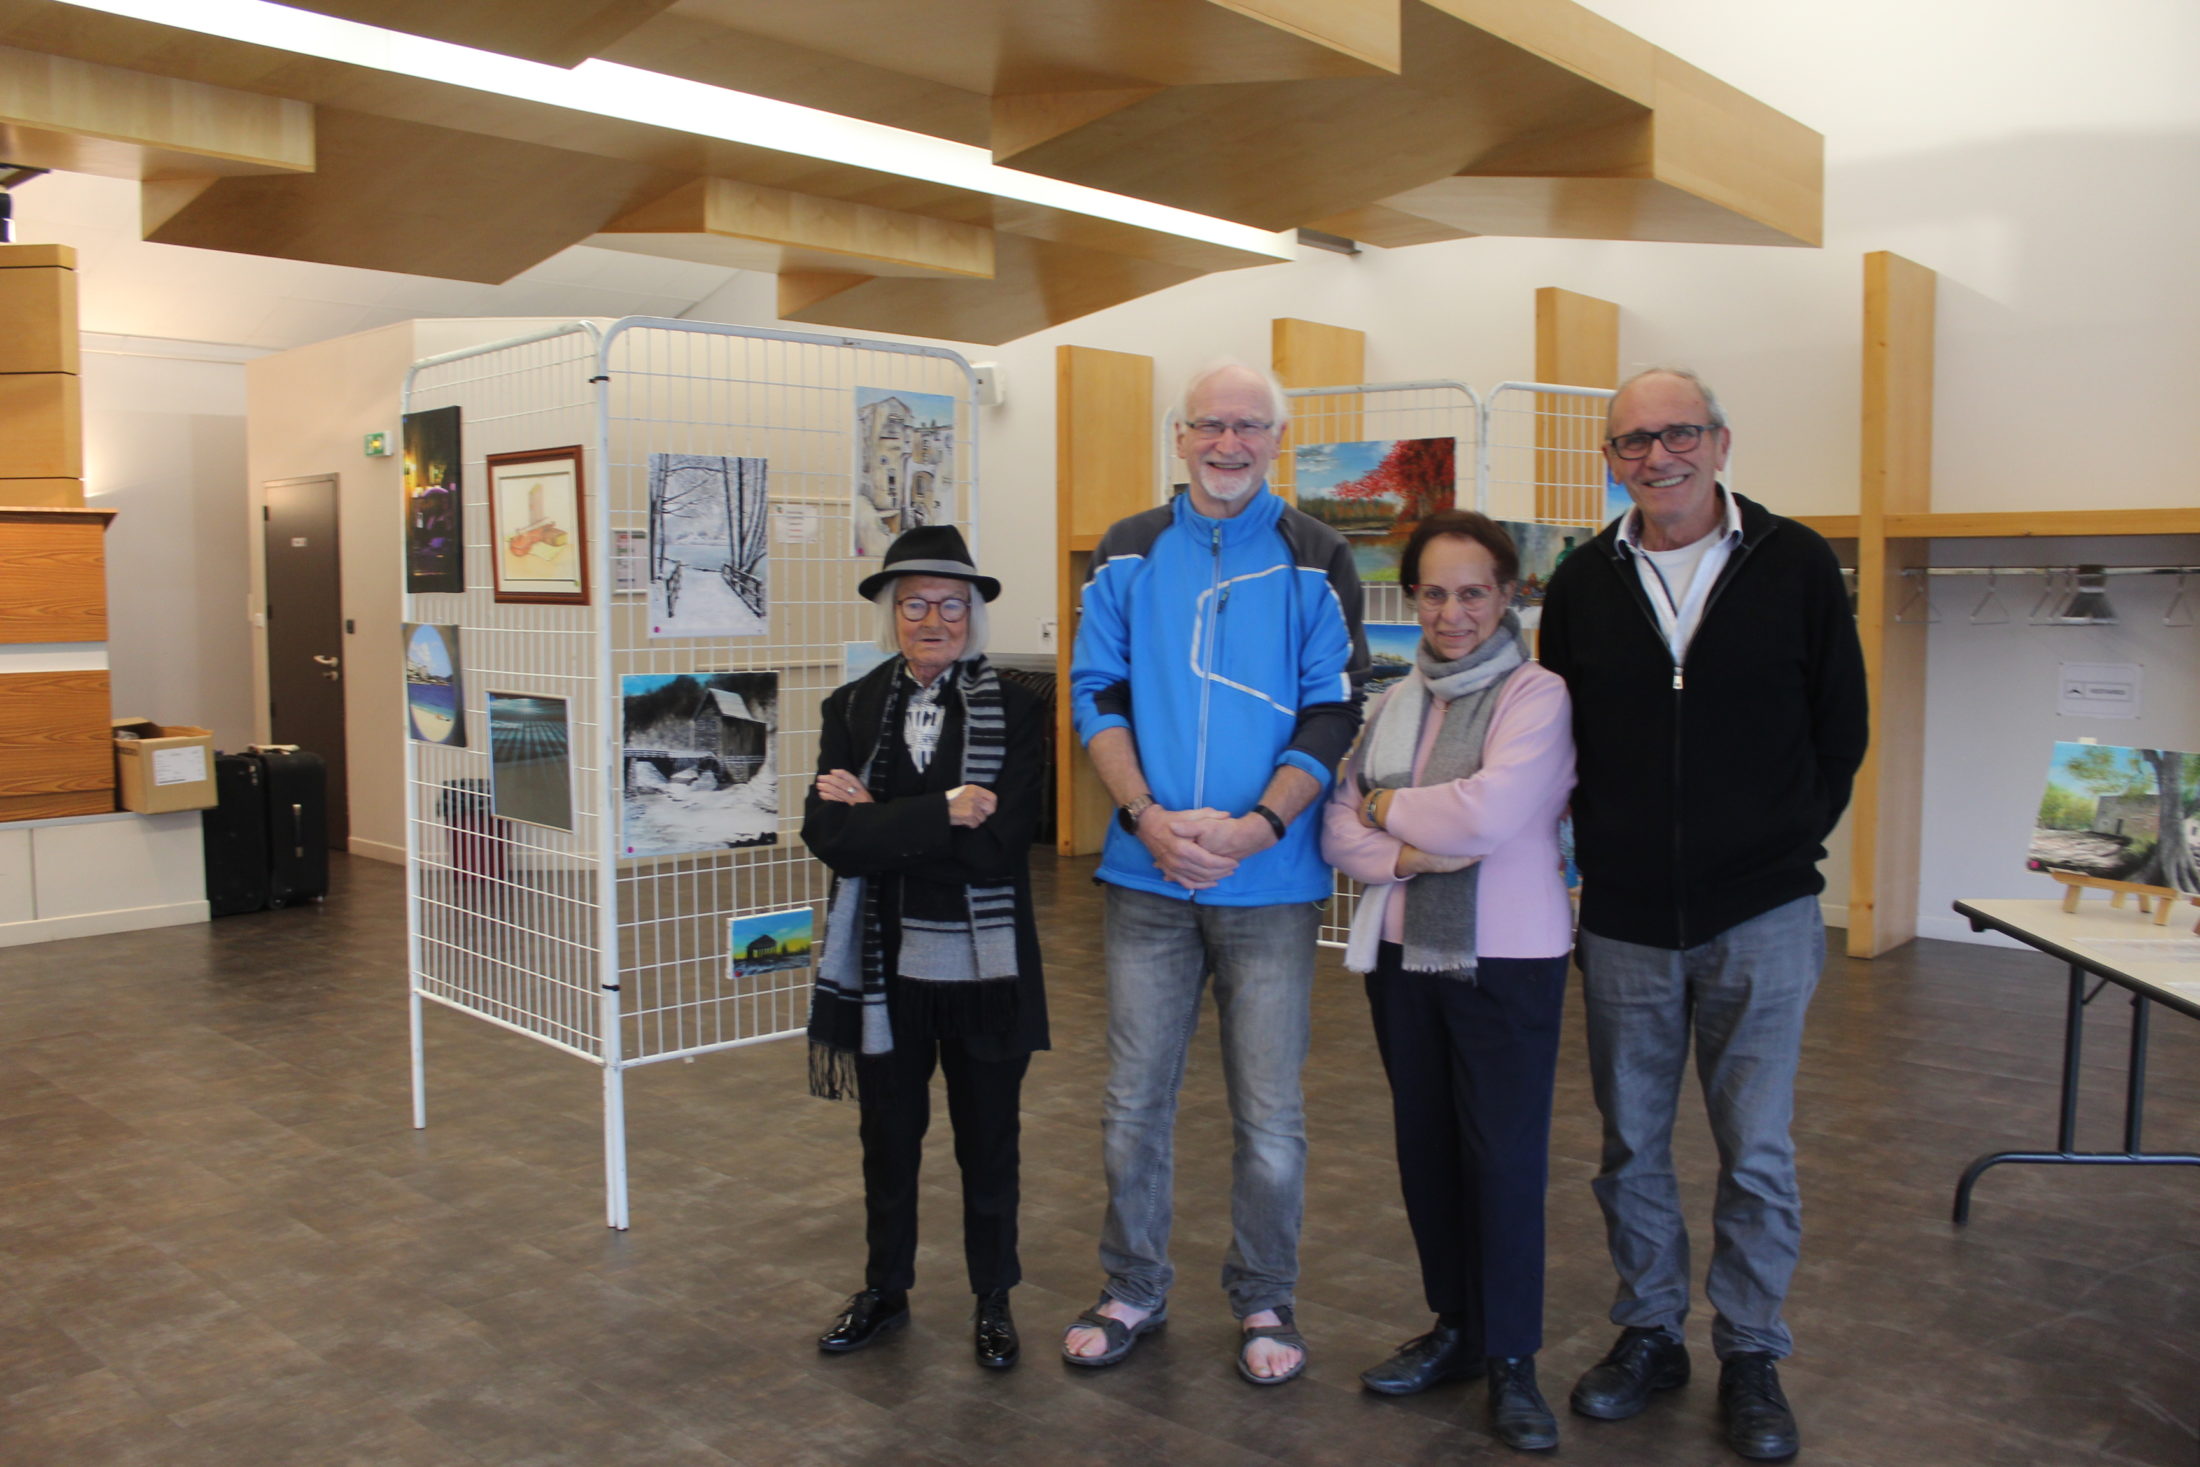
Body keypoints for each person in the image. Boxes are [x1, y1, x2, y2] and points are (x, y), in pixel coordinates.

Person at [1538, 368, 1868, 1461]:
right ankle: (1648, 1335)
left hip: (1763, 915)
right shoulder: (1585, 580)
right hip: (1625, 916)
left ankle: (1753, 1353)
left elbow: (1840, 726)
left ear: (1720, 442)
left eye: (1677, 433)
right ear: (1611, 458)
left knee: (1756, 1150)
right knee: (1631, 1146)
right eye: (1631, 441)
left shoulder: (1797, 563)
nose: (1656, 456)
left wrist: (1779, 845)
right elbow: (1562, 746)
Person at [1062, 359, 1366, 1384]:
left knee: (1269, 1115)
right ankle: (1133, 1287)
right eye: (1209, 426)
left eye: (1248, 427)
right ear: (1179, 437)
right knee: (1131, 1105)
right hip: (1145, 878)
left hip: (1268, 886)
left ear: (1277, 440)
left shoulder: (1317, 556)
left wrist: (1254, 828)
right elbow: (1094, 692)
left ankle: (1264, 1297)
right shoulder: (1128, 551)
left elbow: (1334, 707)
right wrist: (1144, 816)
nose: (1227, 444)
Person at [1321, 511, 1576, 1451]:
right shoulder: (1391, 703)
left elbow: (1489, 813)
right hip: (1401, 956)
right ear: (1413, 597)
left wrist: (1390, 811)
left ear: (1508, 596)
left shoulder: (1536, 696)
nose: (1453, 611)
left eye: (1474, 592)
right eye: (1434, 591)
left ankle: (1513, 1359)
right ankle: (1456, 1329)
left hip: (1508, 960)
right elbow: (1336, 829)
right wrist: (1400, 853)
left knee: (1502, 1161)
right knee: (1427, 1148)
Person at [803, 524, 1048, 1372]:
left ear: (972, 615)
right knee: (888, 1135)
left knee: (990, 1138)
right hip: (880, 964)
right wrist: (941, 810)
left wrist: (882, 816)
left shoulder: (1017, 707)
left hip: (985, 970)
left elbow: (1003, 843)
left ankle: (994, 1298)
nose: (934, 618)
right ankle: (886, 1288)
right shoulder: (852, 706)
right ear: (892, 614)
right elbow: (828, 834)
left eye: (951, 603)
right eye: (915, 604)